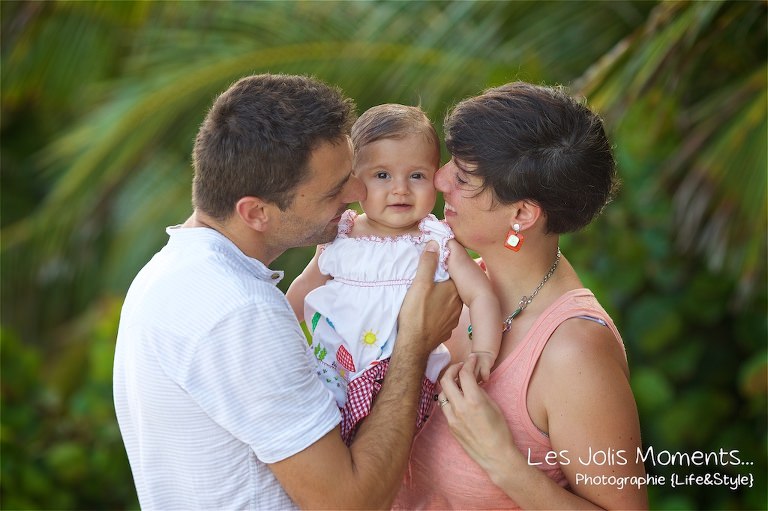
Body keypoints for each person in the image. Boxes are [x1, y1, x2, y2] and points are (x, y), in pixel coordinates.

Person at [112, 74, 461, 510]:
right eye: (336, 188)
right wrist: (415, 343)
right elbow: (348, 503)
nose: (357, 194)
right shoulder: (240, 312)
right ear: (256, 212)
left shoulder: (166, 273)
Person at [394, 82, 649, 510]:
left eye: (462, 176)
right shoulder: (443, 282)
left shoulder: (573, 353)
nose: (438, 180)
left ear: (522, 214)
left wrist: (503, 462)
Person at [286, 104, 502, 444]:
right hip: (334, 376)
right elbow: (303, 289)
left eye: (416, 175)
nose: (400, 189)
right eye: (382, 175)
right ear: (355, 183)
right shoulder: (340, 235)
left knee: (392, 449)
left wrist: (484, 351)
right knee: (322, 445)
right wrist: (277, 332)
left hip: (407, 381)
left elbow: (481, 293)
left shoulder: (438, 241)